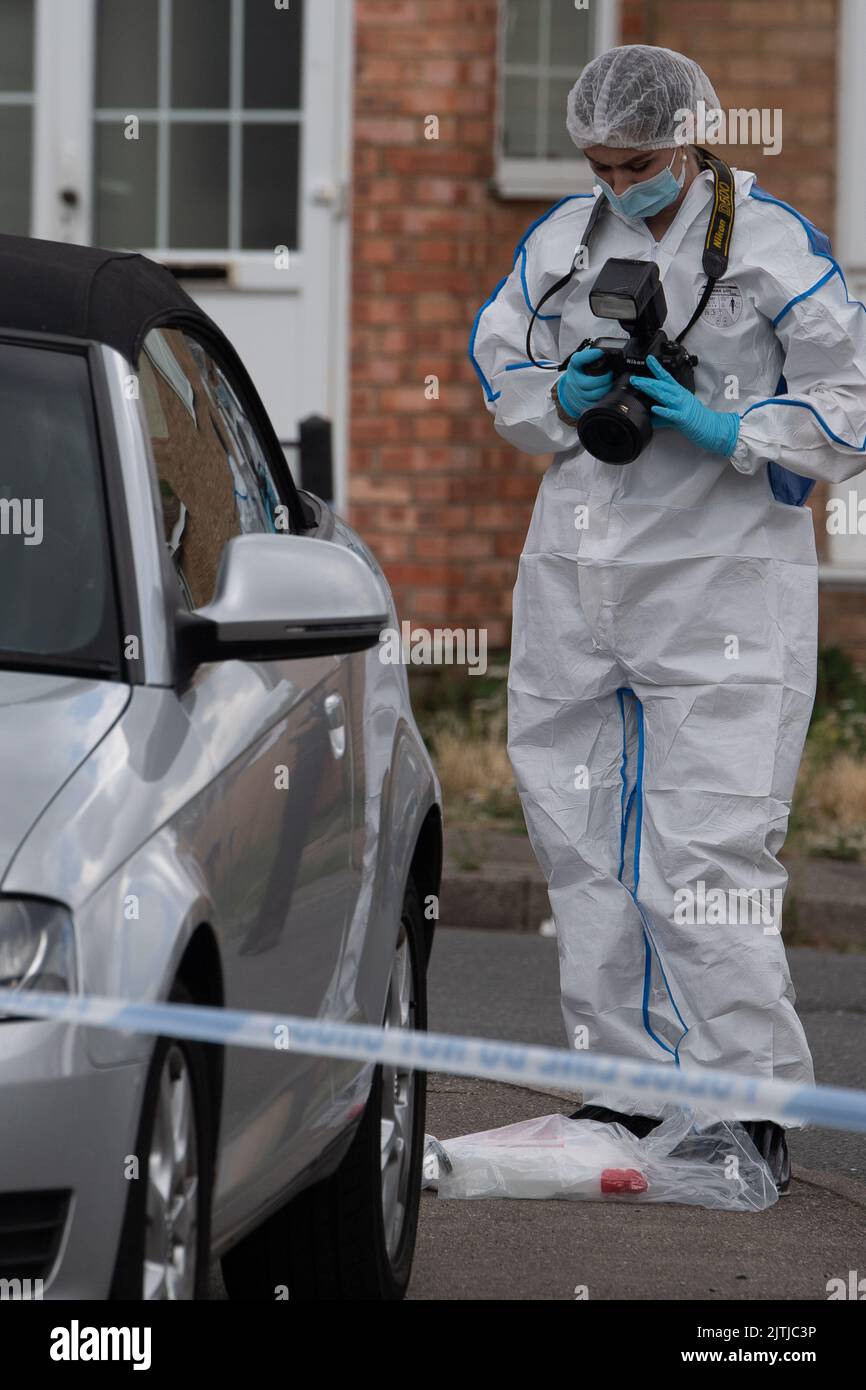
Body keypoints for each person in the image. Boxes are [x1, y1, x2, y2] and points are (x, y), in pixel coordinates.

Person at [469, 45, 866, 1194]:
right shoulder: (560, 242)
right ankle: (623, 1087)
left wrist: (733, 424)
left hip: (721, 588)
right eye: (597, 164)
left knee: (707, 850)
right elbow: (501, 370)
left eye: (634, 162)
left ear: (688, 137)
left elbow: (850, 407)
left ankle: (744, 1108)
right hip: (577, 579)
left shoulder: (771, 247)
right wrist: (562, 395)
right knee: (578, 840)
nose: (615, 181)